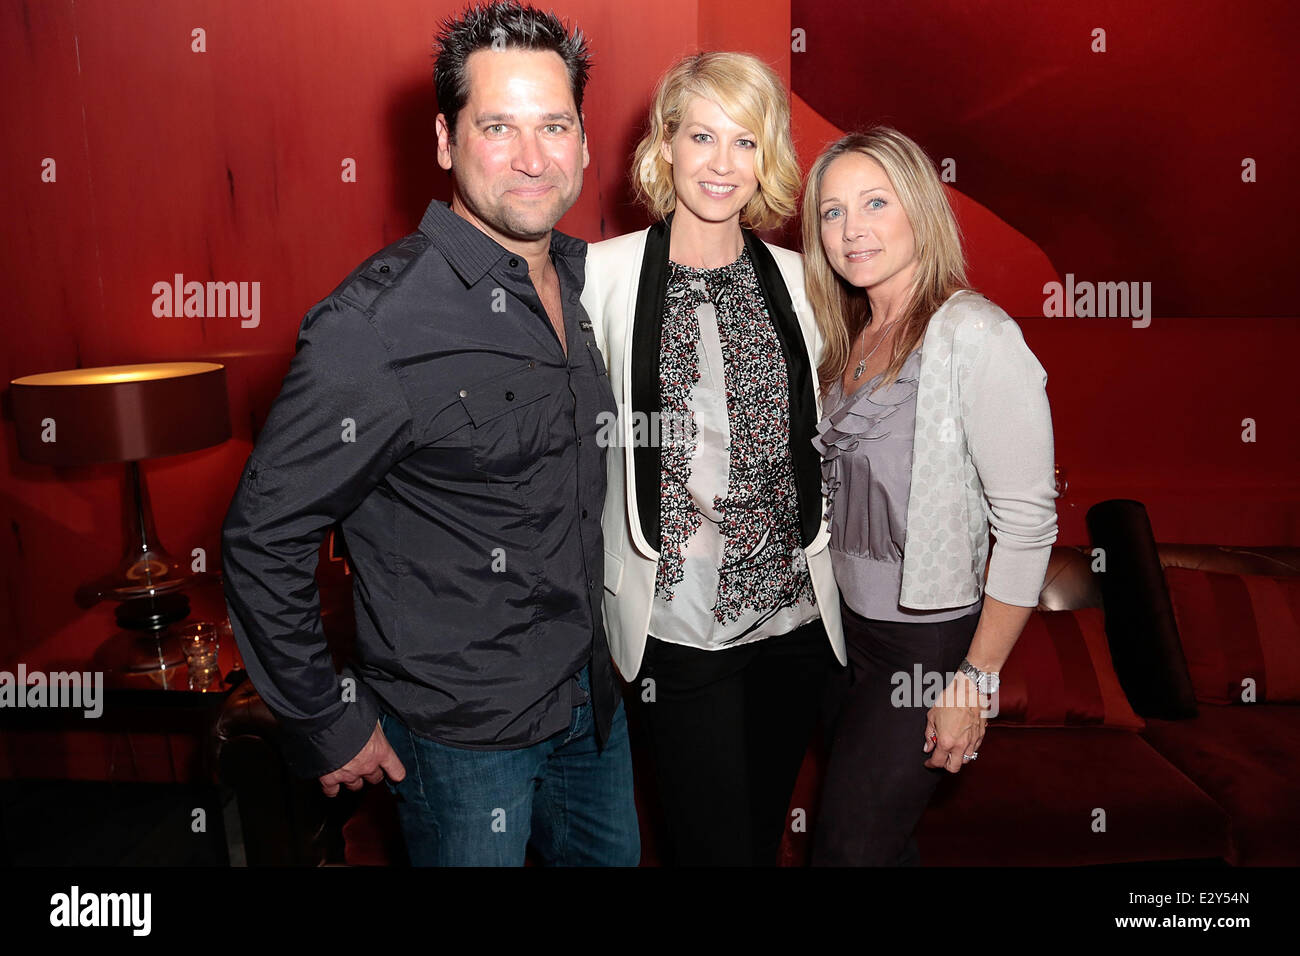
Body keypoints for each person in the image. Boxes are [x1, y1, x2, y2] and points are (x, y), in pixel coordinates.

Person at [220, 1, 639, 867]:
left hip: (590, 707)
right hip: (463, 744)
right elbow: (263, 535)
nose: (532, 157)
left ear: (585, 143)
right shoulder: (372, 327)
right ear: (446, 142)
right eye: (498, 127)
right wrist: (324, 718)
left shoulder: (579, 276)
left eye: (555, 126)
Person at [581, 51, 846, 867]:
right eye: (702, 136)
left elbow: (840, 434)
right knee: (709, 848)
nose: (722, 164)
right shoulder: (601, 277)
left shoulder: (808, 283)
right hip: (676, 625)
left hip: (794, 617)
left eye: (745, 141)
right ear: (665, 146)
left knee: (758, 839)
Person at [801, 128, 1058, 866]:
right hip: (845, 635)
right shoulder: (849, 335)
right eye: (833, 211)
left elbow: (1030, 526)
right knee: (884, 844)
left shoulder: (974, 334)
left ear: (920, 207)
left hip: (926, 646)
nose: (853, 230)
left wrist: (973, 682)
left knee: (846, 853)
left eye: (875, 202)